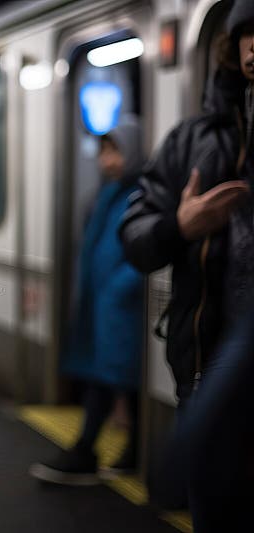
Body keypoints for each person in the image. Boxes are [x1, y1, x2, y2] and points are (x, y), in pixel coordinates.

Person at [119, 2, 254, 528]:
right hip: (209, 362)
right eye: (248, 36)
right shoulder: (192, 140)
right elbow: (133, 237)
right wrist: (180, 226)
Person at [29, 117, 146, 485]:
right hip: (104, 300)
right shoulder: (108, 193)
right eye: (104, 152)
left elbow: (143, 251)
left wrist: (118, 287)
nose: (107, 161)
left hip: (122, 301)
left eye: (115, 151)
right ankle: (131, 450)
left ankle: (87, 449)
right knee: (114, 373)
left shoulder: (140, 194)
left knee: (109, 373)